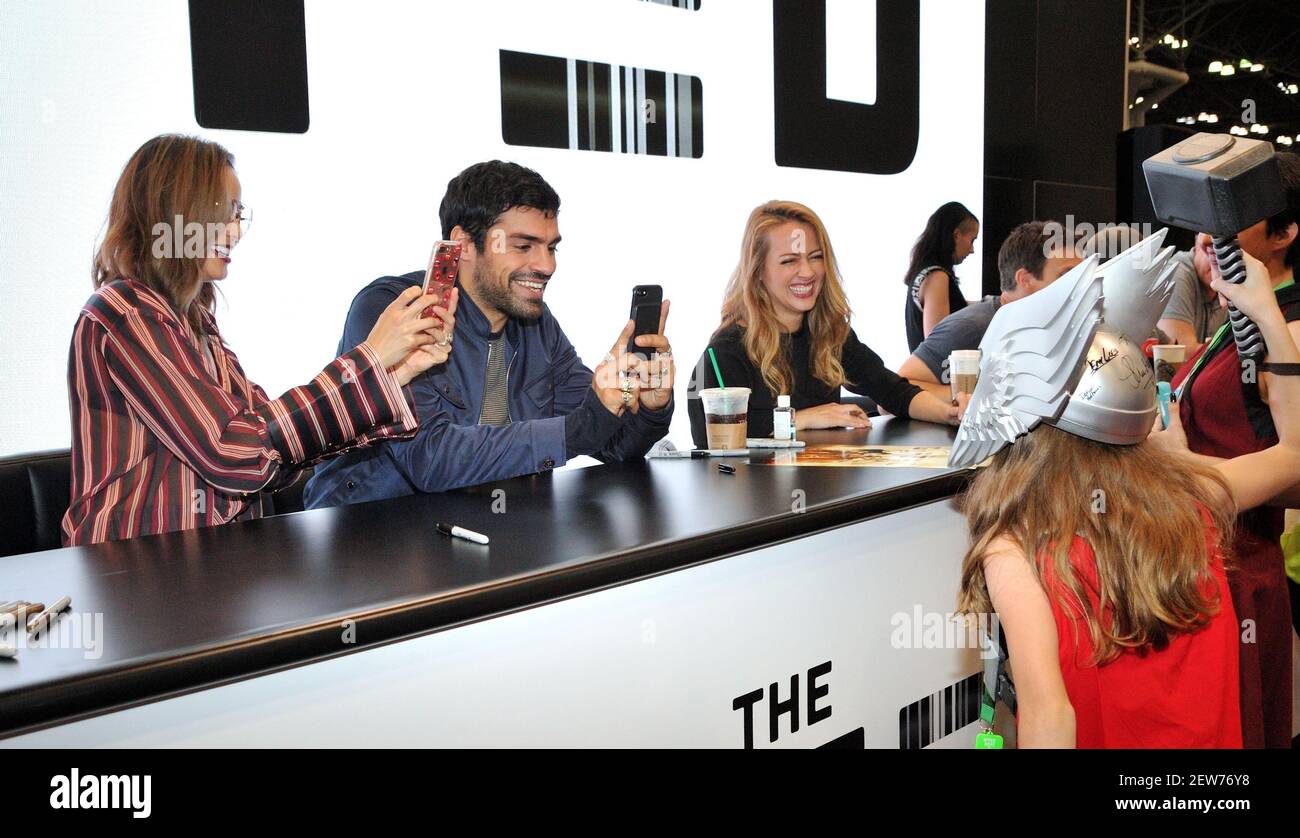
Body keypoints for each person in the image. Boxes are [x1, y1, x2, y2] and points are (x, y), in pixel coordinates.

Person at [956, 243, 1300, 748]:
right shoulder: (1195, 493)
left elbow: (1049, 716)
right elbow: (1294, 453)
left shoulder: (1016, 546)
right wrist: (1267, 313)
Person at [62, 134, 454, 546]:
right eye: (224, 213)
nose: (236, 231)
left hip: (201, 569)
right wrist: (369, 360)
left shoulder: (195, 324)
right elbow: (236, 453)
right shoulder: (127, 313)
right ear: (177, 214)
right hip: (134, 574)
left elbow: (272, 448)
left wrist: (393, 373)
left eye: (238, 214)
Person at [304, 161, 674, 508]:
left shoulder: (537, 324)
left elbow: (611, 443)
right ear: (463, 244)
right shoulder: (396, 310)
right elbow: (430, 459)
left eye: (551, 247)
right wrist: (583, 426)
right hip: (368, 542)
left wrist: (650, 408)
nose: (546, 266)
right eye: (524, 246)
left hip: (495, 528)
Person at [1151, 151, 1300, 749]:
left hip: (1243, 567)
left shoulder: (1285, 328)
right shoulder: (1231, 320)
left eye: (1235, 216)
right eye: (1207, 219)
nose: (1211, 236)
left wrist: (1184, 465)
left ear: (1285, 233)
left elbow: (1295, 471)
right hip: (1199, 565)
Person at [686, 201, 962, 449]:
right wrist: (801, 419)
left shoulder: (829, 332)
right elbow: (713, 437)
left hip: (823, 495)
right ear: (758, 271)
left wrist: (949, 413)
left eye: (816, 257)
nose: (807, 272)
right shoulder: (726, 350)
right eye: (789, 261)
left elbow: (892, 389)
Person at [898, 221, 1080, 399]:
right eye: (1067, 276)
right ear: (1025, 280)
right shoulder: (971, 327)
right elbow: (896, 392)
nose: (1080, 286)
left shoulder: (1055, 328)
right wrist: (978, 399)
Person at [902, 201, 979, 352]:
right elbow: (938, 344)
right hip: (938, 375)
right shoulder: (937, 277)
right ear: (956, 235)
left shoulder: (924, 272)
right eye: (972, 240)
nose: (972, 250)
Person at [1157, 232, 1228, 353]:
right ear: (1198, 244)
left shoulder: (1224, 284)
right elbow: (1180, 354)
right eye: (1211, 251)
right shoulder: (1175, 273)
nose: (1219, 264)